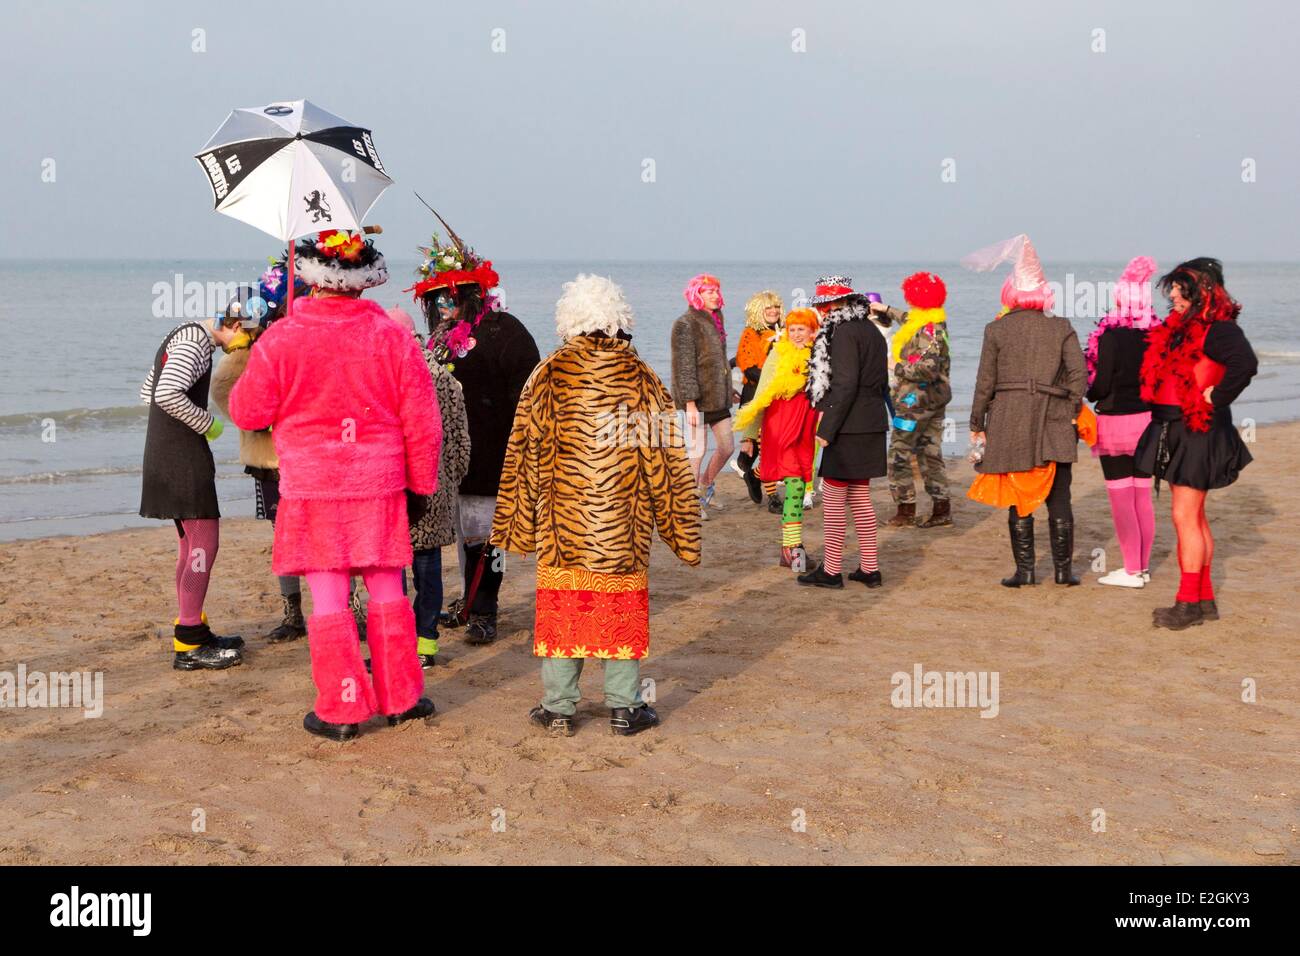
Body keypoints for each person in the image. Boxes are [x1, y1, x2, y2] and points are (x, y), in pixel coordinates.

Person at [230, 229, 441, 741]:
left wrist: (259, 351)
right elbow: (423, 421)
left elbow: (247, 411)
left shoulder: (282, 338)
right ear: (364, 280)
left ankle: (342, 709)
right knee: (387, 586)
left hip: (314, 488)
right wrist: (421, 485)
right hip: (380, 482)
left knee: (328, 594)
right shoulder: (392, 335)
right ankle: (400, 698)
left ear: (309, 278)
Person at [492, 275, 700, 736]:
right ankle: (625, 708)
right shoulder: (641, 378)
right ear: (619, 320)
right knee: (619, 613)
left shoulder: (547, 375)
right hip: (622, 528)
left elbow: (522, 452)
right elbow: (665, 461)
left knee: (565, 611)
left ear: (570, 319)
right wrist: (680, 528)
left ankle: (558, 708)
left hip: (562, 527)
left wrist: (516, 526)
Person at [410, 216, 539, 645]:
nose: (441, 310)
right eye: (435, 304)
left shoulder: (508, 332)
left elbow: (529, 392)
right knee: (465, 539)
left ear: (467, 294)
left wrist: (524, 450)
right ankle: (468, 601)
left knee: (489, 541)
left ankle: (485, 610)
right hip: (450, 460)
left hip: (493, 455)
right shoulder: (440, 339)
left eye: (447, 300)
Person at [1133, 258, 1257, 629]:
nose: (1171, 294)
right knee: (1195, 516)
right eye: (1170, 287)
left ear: (1202, 290)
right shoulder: (1180, 327)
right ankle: (1203, 601)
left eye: (1179, 287)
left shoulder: (1219, 330)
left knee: (1184, 516)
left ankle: (1187, 605)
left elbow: (1245, 364)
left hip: (1198, 430)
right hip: (1174, 427)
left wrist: (1217, 396)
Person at [963, 234, 1087, 588]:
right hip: (1055, 416)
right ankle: (1064, 572)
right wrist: (1070, 405)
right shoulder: (1061, 326)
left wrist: (977, 422)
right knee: (1060, 495)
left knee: (1020, 494)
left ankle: (1026, 571)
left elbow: (984, 381)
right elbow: (1080, 375)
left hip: (1011, 418)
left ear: (1011, 294)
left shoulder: (996, 329)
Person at [139, 296, 248, 670]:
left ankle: (193, 629)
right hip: (181, 459)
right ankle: (188, 645)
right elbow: (167, 394)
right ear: (234, 326)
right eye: (247, 337)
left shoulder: (181, 332)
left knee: (190, 548)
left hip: (164, 454)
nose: (244, 345)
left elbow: (147, 390)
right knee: (205, 545)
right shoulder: (198, 343)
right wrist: (209, 424)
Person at [209, 262, 315, 642]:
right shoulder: (248, 350)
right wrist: (257, 419)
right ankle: (293, 611)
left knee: (325, 530)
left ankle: (346, 607)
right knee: (283, 535)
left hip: (308, 454)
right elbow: (223, 390)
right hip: (270, 459)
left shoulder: (307, 342)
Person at [389, 306, 471, 668]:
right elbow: (459, 438)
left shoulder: (386, 374)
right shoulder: (443, 377)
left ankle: (402, 641)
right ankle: (427, 642)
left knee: (392, 574)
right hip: (434, 487)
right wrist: (451, 479)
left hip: (394, 486)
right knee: (428, 566)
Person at [798, 277, 889, 589]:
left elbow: (846, 383)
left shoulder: (845, 332)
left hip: (850, 426)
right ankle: (869, 569)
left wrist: (827, 427)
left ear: (834, 306)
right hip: (871, 422)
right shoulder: (871, 329)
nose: (821, 312)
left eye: (823, 305)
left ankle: (832, 570)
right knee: (860, 497)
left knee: (835, 498)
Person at [1084, 256, 1161, 589]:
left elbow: (1100, 385)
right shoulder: (1156, 334)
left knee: (1120, 498)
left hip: (1116, 424)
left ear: (1119, 300)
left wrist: (1089, 392)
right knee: (1142, 496)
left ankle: (1131, 571)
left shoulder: (1110, 336)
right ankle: (1141, 567)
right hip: (1148, 421)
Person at [734, 308, 820, 569]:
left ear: (812, 331)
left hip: (805, 425)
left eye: (801, 329)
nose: (795, 334)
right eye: (792, 329)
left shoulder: (819, 357)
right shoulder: (777, 354)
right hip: (779, 424)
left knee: (799, 479)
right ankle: (791, 549)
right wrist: (749, 436)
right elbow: (759, 396)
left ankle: (757, 475)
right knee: (794, 485)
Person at [872, 272, 954, 529]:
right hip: (932, 402)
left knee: (899, 453)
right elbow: (907, 319)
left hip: (915, 404)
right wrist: (885, 309)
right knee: (930, 454)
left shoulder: (929, 330)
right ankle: (942, 508)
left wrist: (897, 366)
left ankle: (906, 510)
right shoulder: (930, 321)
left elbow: (928, 368)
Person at [671, 273, 733, 518]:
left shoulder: (716, 317)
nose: (715, 295)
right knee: (696, 452)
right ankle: (689, 502)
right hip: (695, 400)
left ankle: (705, 486)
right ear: (696, 294)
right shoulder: (685, 323)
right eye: (709, 292)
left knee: (727, 447)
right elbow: (683, 366)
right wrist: (690, 404)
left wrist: (730, 388)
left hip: (718, 397)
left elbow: (716, 362)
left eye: (716, 291)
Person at [733, 290, 783, 506]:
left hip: (781, 396)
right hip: (757, 395)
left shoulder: (786, 332)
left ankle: (753, 474)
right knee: (767, 448)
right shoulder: (750, 333)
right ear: (758, 311)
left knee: (775, 446)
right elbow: (748, 367)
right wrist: (773, 381)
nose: (773, 311)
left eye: (776, 307)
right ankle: (772, 496)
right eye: (768, 308)